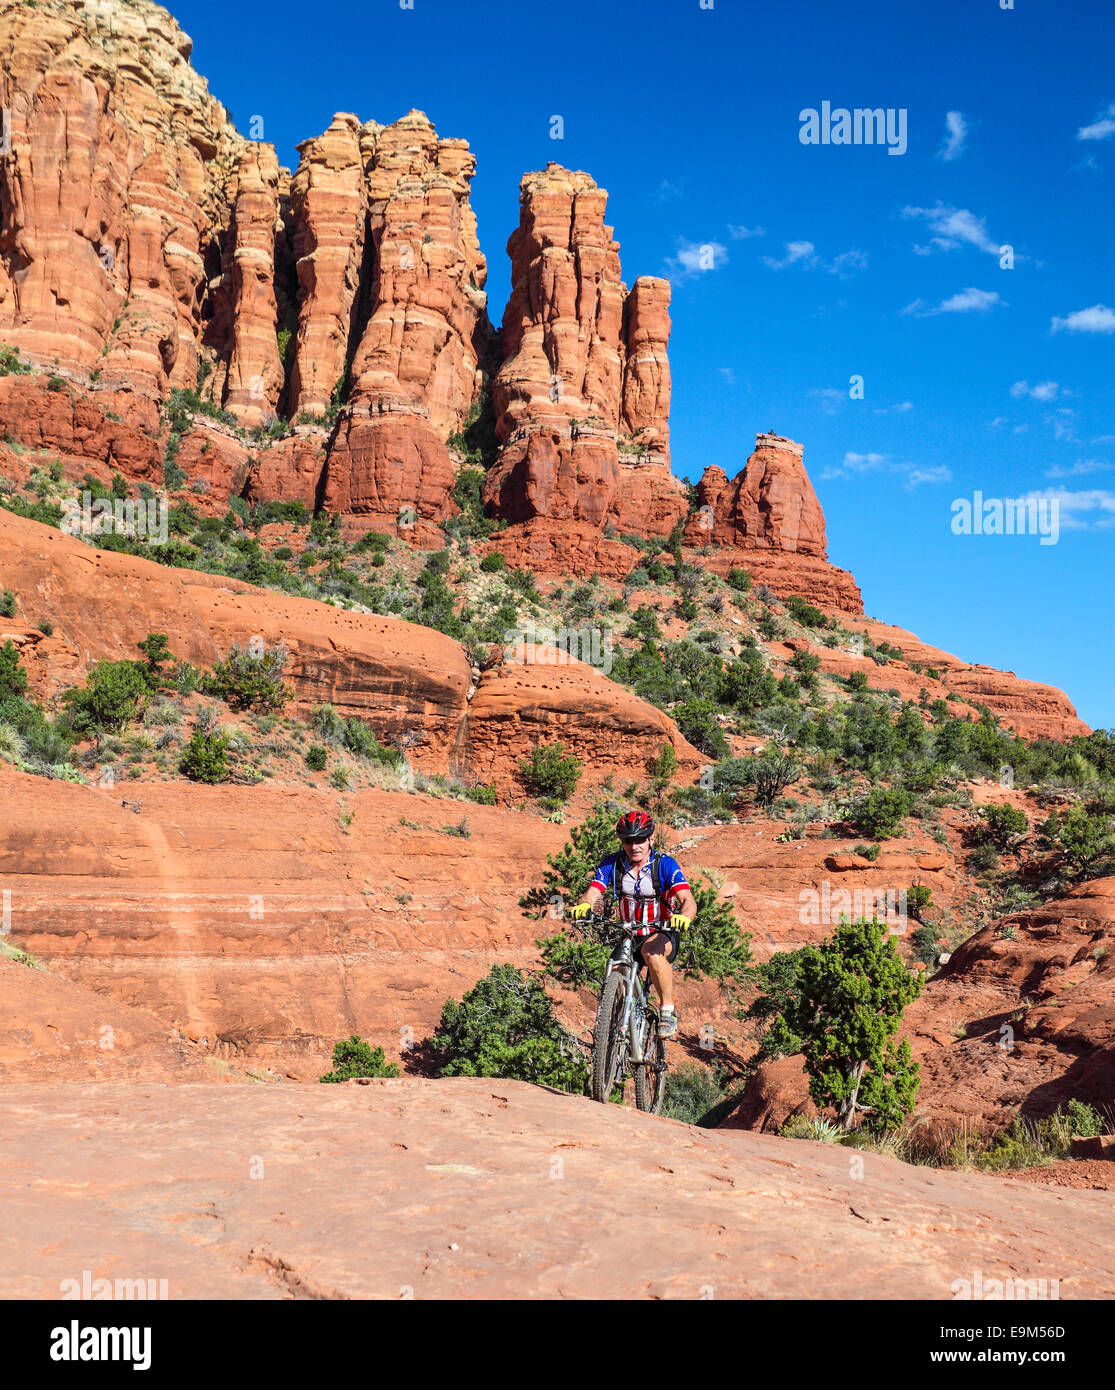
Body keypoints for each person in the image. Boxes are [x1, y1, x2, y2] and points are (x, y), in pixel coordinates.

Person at [569, 810, 697, 1038]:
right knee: (615, 970)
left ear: (650, 840)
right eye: (629, 841)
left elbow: (688, 900)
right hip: (629, 934)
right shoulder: (613, 864)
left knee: (651, 952)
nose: (634, 846)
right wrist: (585, 905)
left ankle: (667, 1010)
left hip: (661, 932)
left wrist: (684, 917)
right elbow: (593, 891)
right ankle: (613, 1031)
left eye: (640, 840)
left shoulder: (664, 865)